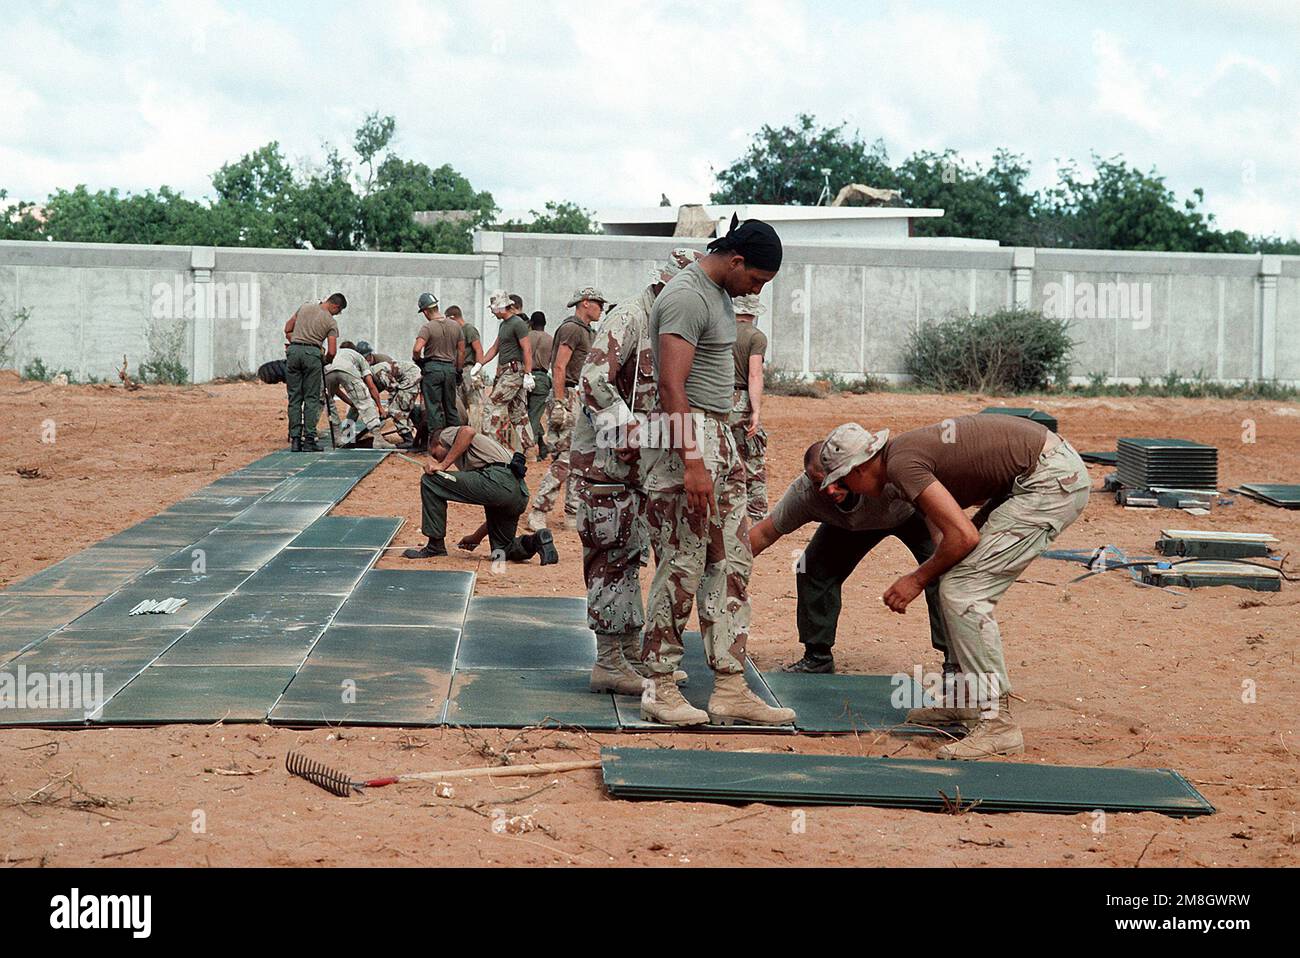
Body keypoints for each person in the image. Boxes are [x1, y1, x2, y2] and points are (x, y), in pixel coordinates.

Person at [828, 414, 1091, 759]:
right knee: (953, 579)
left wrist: (916, 579)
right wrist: (935, 569)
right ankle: (967, 701)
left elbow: (964, 536)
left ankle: (998, 724)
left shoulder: (903, 464)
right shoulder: (901, 463)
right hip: (1032, 477)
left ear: (859, 467)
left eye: (841, 480)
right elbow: (947, 532)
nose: (838, 490)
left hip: (1050, 480)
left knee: (964, 593)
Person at [639, 216, 795, 727]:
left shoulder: (721, 294)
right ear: (736, 261)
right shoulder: (687, 296)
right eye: (756, 280)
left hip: (718, 435)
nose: (756, 291)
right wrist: (692, 461)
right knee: (682, 563)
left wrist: (718, 452)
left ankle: (729, 686)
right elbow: (670, 387)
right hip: (689, 438)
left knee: (731, 562)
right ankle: (659, 687)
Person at [572, 250, 697, 694]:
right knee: (610, 558)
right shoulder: (630, 317)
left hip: (632, 472)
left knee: (627, 556)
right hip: (606, 468)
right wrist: (625, 432)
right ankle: (608, 662)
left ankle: (625, 655)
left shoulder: (662, 323)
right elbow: (593, 380)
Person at [748, 435, 953, 675]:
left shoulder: (887, 476)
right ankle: (817, 657)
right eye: (820, 484)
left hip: (908, 515)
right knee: (812, 568)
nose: (831, 490)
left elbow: (935, 507)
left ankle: (955, 660)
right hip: (848, 525)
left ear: (850, 470)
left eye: (835, 480)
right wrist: (724, 565)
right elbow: (762, 534)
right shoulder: (805, 493)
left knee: (944, 571)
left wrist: (937, 560)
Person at [402, 424, 557, 565]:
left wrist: (442, 465)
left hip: (498, 480)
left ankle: (435, 545)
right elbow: (497, 507)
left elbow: (467, 431)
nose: (435, 458)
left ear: (438, 443)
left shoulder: (445, 435)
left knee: (431, 481)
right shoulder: (479, 456)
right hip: (517, 491)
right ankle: (536, 541)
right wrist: (476, 537)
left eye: (435, 453)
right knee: (502, 551)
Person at [526, 288, 605, 531]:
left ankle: (573, 512)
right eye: (598, 304)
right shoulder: (572, 328)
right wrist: (560, 402)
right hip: (568, 395)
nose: (601, 308)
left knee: (580, 458)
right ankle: (539, 510)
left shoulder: (584, 330)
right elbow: (559, 367)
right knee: (565, 457)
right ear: (585, 303)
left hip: (579, 397)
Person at [283, 293, 344, 452]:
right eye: (339, 311)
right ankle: (309, 440)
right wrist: (323, 359)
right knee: (311, 398)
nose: (337, 314)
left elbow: (287, 329)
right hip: (313, 356)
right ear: (335, 306)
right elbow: (332, 351)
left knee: (295, 398)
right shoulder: (330, 322)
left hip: (293, 352)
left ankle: (295, 440)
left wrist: (297, 342)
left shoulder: (304, 307)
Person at [476, 291, 535, 452]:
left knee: (491, 406)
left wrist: (528, 373)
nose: (492, 312)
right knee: (518, 413)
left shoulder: (517, 323)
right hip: (508, 372)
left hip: (513, 372)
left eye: (493, 309)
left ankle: (489, 448)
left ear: (501, 307)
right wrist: (480, 364)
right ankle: (530, 450)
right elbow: (495, 348)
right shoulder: (504, 325)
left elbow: (527, 349)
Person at [730, 294, 769, 521]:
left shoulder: (719, 331)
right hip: (742, 402)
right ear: (754, 313)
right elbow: (754, 374)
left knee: (723, 462)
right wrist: (755, 411)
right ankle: (756, 521)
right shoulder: (756, 337)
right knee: (753, 465)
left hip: (716, 402)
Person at [412, 292, 463, 439]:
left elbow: (416, 349)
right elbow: (461, 352)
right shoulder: (456, 326)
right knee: (450, 407)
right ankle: (457, 440)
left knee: (433, 408)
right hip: (450, 369)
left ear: (426, 311)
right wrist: (458, 370)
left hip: (433, 369)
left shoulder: (427, 327)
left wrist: (419, 360)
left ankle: (437, 441)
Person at [325, 341, 390, 446]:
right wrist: (352, 402)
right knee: (364, 401)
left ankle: (338, 437)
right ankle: (377, 438)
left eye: (369, 356)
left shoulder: (384, 360)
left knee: (328, 402)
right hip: (358, 378)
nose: (368, 358)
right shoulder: (358, 358)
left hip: (383, 383)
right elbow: (370, 386)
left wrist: (381, 406)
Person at [368, 355, 421, 447]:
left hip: (411, 377)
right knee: (402, 407)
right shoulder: (373, 373)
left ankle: (408, 439)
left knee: (396, 409)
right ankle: (414, 436)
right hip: (409, 377)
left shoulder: (379, 374)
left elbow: (394, 390)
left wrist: (387, 410)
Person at [447, 305, 486, 430]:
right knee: (460, 407)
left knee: (475, 405)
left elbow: (478, 349)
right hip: (458, 371)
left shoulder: (468, 329)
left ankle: (477, 435)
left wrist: (477, 368)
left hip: (470, 369)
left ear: (453, 318)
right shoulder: (455, 332)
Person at [526, 312, 553, 461]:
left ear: (531, 322)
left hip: (525, 376)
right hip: (542, 378)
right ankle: (541, 448)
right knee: (534, 415)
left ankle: (532, 448)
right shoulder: (550, 339)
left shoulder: (527, 337)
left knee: (529, 415)